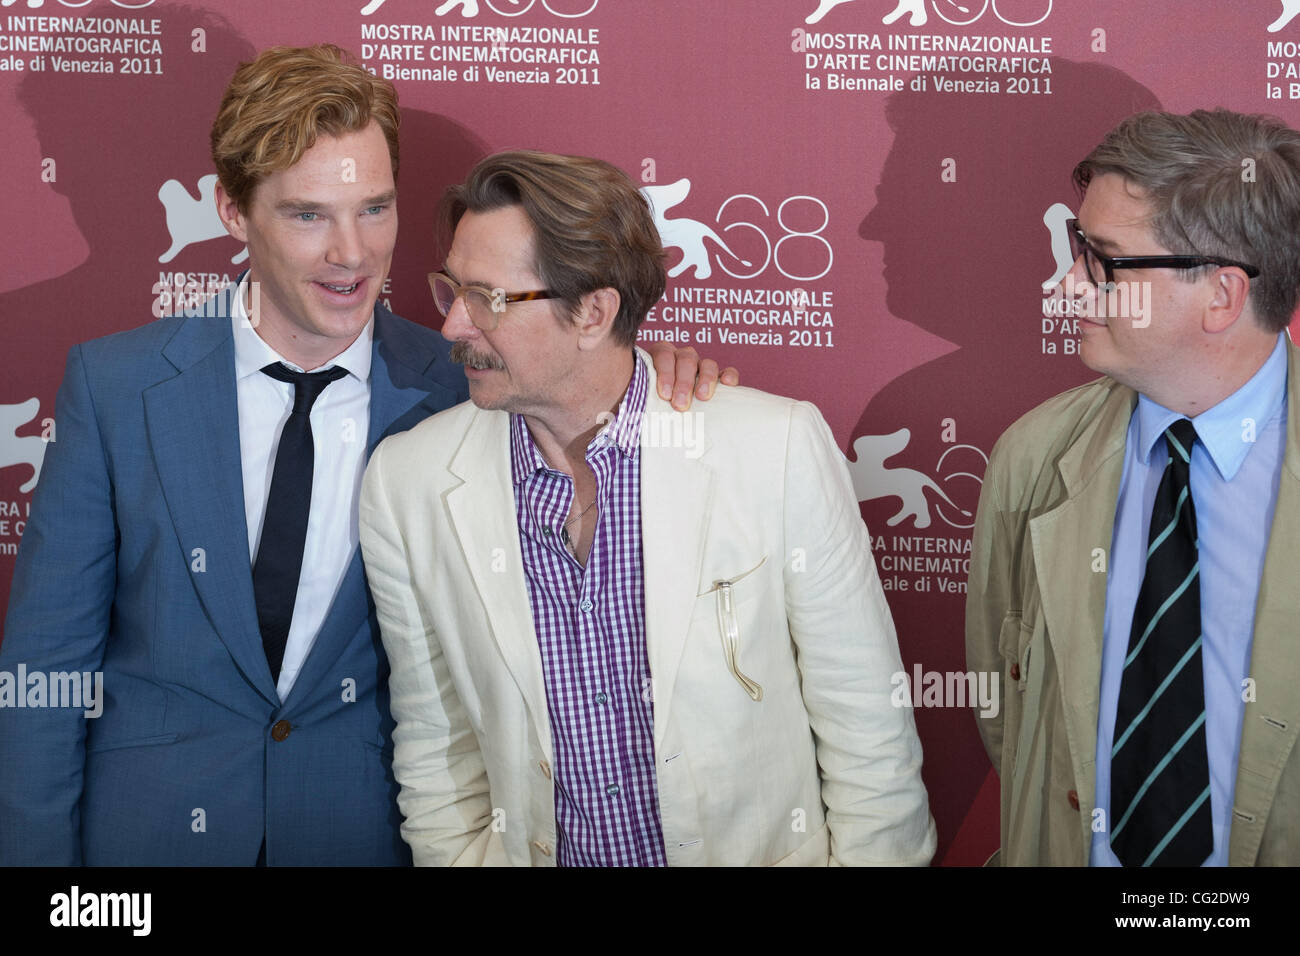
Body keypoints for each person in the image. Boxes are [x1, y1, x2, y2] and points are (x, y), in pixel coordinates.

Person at [0, 44, 726, 867]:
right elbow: (45, 669)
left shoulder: (466, 386)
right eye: (308, 215)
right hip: (151, 842)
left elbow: (584, 376)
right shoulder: (117, 386)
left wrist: (652, 374)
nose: (351, 254)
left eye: (374, 209)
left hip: (365, 833)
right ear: (232, 211)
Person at [359, 149, 937, 866]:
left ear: (593, 312)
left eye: (490, 299)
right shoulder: (408, 484)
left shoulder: (774, 449)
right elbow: (435, 744)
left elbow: (868, 730)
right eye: (452, 289)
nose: (452, 325)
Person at [966, 108, 1300, 866]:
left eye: (1104, 262)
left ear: (1221, 295)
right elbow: (1011, 717)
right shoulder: (1033, 458)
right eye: (1077, 248)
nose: (1068, 284)